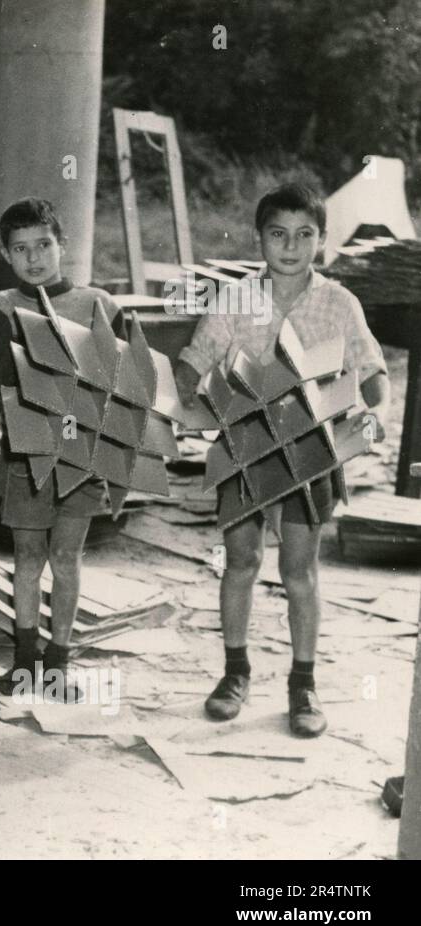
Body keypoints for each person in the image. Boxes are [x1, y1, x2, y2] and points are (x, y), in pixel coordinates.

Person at [173, 183, 390, 737]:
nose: (290, 246)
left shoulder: (340, 302)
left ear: (321, 240)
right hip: (244, 444)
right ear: (258, 239)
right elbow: (192, 364)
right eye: (277, 234)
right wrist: (174, 404)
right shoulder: (235, 299)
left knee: (299, 571)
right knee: (240, 562)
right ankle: (234, 672)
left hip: (309, 449)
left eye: (304, 235)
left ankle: (303, 683)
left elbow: (373, 373)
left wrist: (373, 410)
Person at [0, 197, 127, 702]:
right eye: (21, 249)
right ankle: (23, 661)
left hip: (81, 455)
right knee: (28, 555)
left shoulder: (99, 303)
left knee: (67, 556)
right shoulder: (1, 307)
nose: (34, 258)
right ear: (5, 254)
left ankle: (58, 662)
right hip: (24, 453)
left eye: (44, 245)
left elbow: (124, 381)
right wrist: (34, 371)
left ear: (63, 245)